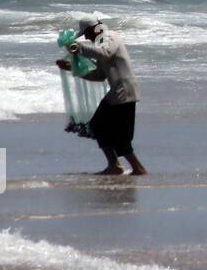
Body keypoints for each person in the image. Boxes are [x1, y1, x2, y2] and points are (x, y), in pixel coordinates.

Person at [55, 12, 147, 176]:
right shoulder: (100, 44)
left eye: (87, 34)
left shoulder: (110, 37)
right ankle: (115, 165)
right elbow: (100, 75)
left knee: (119, 134)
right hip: (116, 93)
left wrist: (78, 48)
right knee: (98, 126)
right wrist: (72, 69)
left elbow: (105, 53)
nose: (87, 38)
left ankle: (137, 168)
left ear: (96, 29)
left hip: (124, 92)